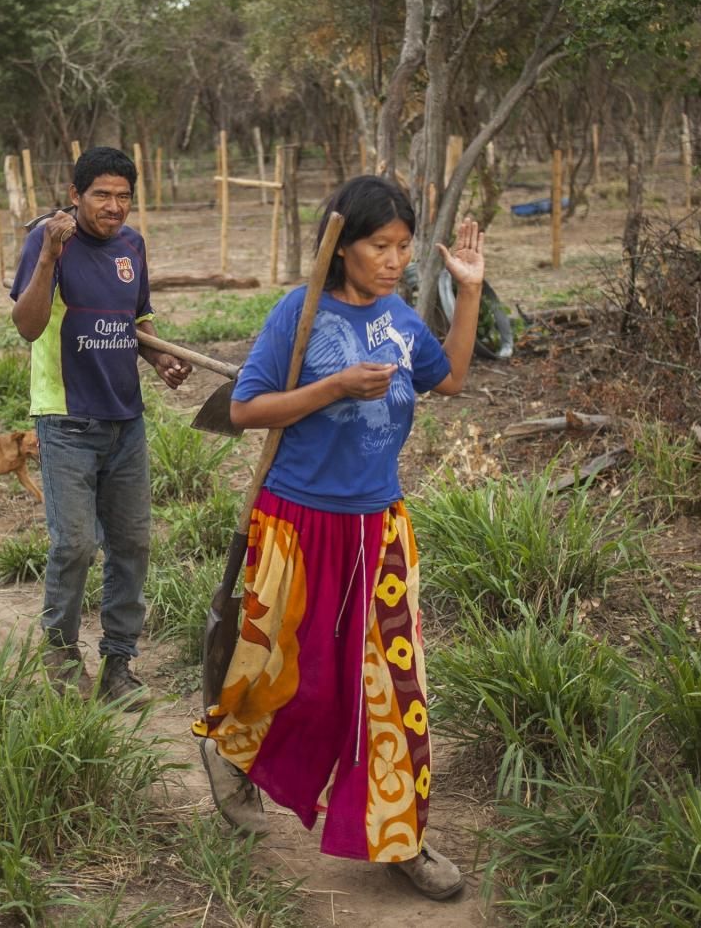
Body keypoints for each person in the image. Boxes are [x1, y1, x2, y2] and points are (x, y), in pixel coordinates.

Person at [195, 175, 485, 901]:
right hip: (296, 526)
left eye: (404, 248)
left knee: (392, 691)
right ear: (342, 246)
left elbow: (446, 380)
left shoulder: (399, 319)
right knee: (295, 680)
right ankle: (234, 753)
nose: (394, 261)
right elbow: (246, 408)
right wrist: (333, 388)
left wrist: (470, 292)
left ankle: (400, 838)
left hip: (379, 529)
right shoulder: (299, 313)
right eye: (380, 246)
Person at [10, 146, 193, 708]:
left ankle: (118, 665)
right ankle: (61, 655)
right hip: (65, 417)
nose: (114, 207)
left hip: (125, 419)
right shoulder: (48, 240)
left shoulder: (132, 245)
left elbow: (136, 318)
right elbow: (27, 324)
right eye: (102, 195)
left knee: (132, 543)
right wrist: (48, 256)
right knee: (75, 544)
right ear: (75, 194)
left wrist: (159, 358)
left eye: (123, 196)